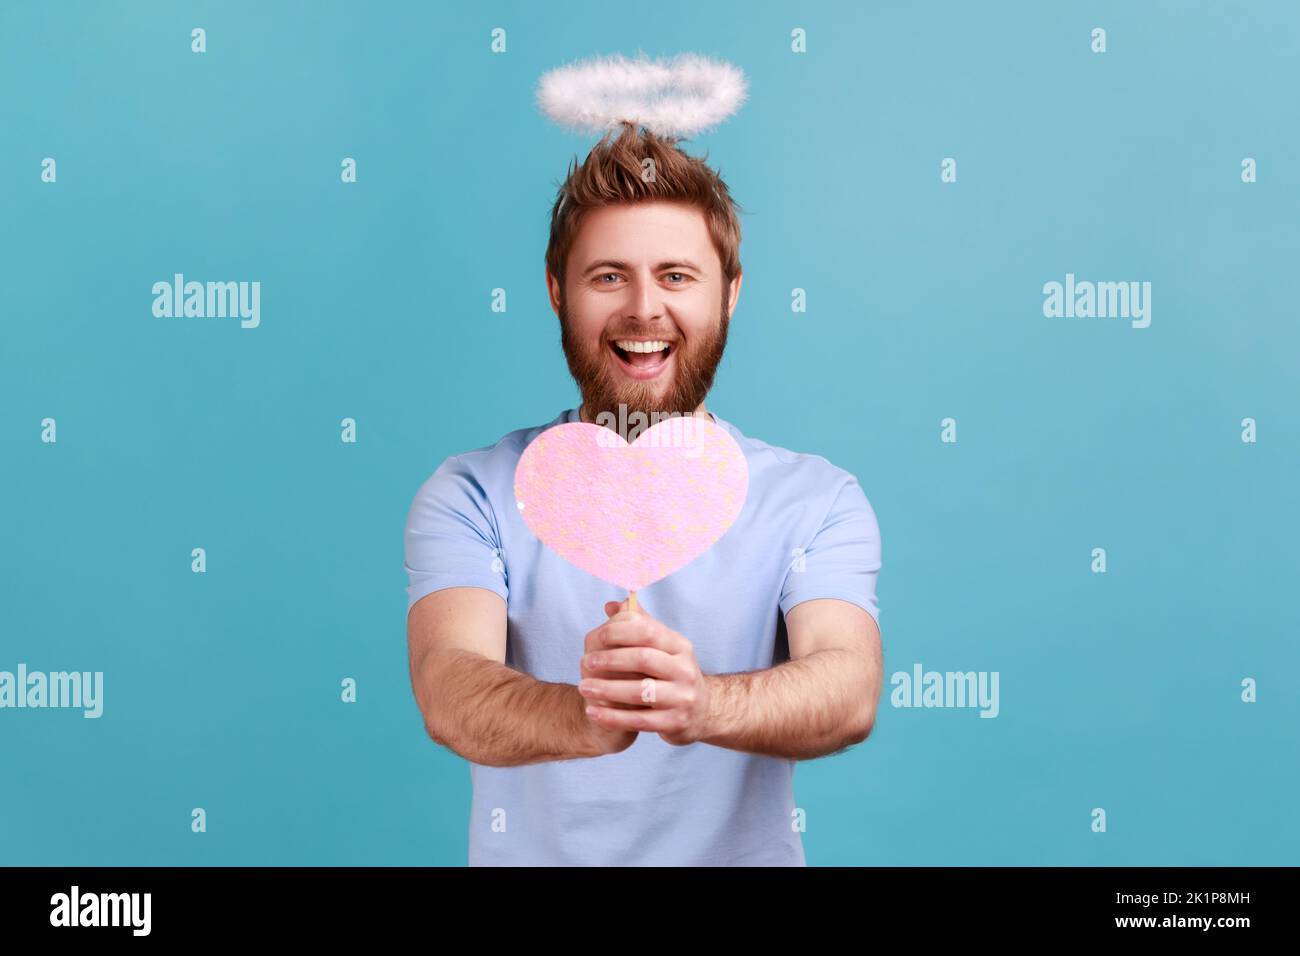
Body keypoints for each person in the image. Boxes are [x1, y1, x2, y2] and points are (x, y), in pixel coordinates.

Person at [404, 123, 883, 865]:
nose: (643, 310)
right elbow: (449, 688)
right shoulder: (472, 494)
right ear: (557, 291)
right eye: (608, 276)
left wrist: (699, 703)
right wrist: (586, 717)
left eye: (677, 276)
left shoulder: (815, 500)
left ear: (731, 293)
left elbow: (848, 688)